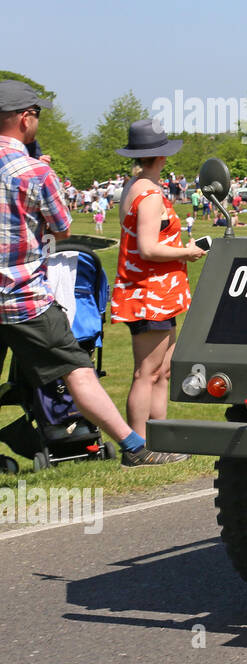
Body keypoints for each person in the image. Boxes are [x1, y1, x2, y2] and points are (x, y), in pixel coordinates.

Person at [0, 81, 160, 466]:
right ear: (25, 119)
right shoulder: (34, 171)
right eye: (36, 116)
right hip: (22, 297)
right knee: (76, 369)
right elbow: (62, 228)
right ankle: (134, 447)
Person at [110, 120, 206, 460]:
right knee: (147, 372)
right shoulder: (149, 195)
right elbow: (149, 248)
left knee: (162, 370)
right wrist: (188, 251)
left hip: (157, 292)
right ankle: (138, 446)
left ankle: (160, 440)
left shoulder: (134, 186)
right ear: (161, 157)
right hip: (149, 293)